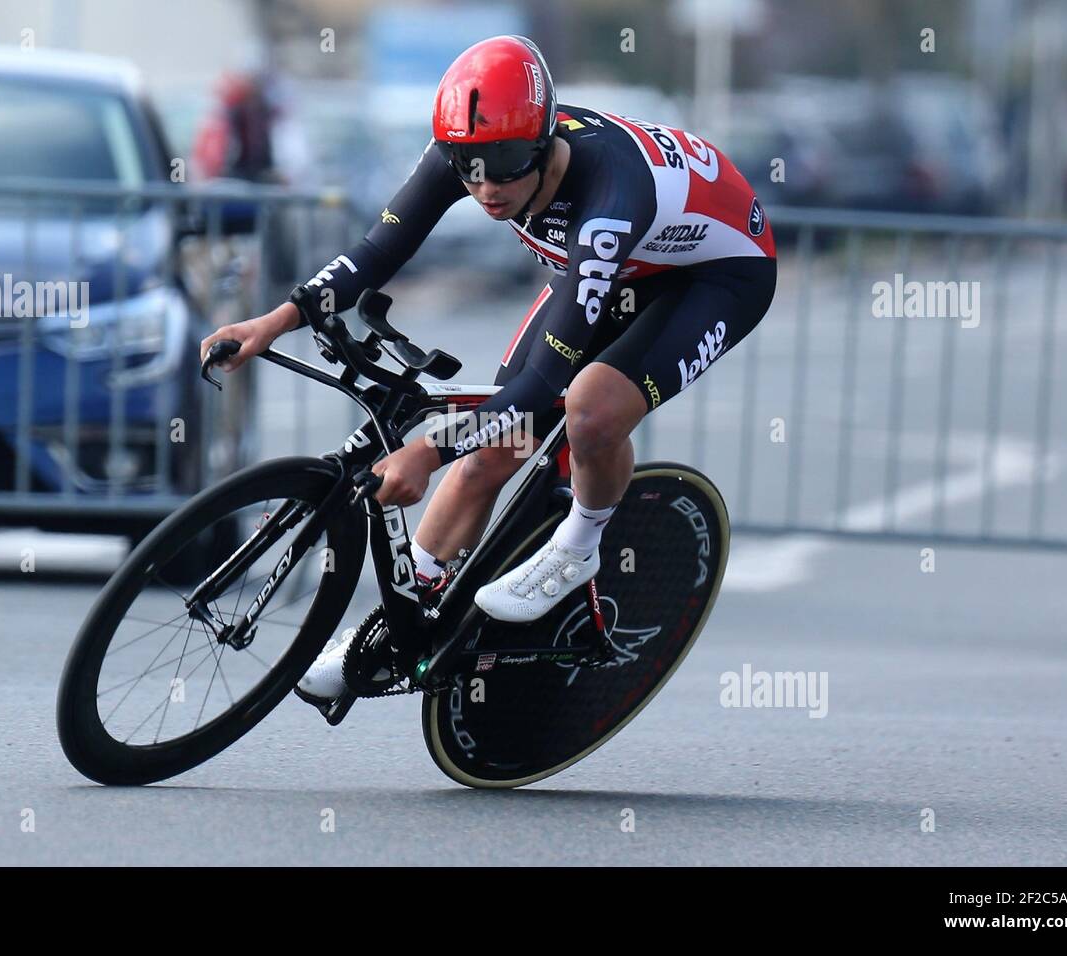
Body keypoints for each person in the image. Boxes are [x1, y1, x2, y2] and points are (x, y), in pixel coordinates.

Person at [200, 35, 777, 704]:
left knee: (587, 406)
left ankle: (579, 545)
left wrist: (425, 451)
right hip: (620, 269)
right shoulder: (472, 147)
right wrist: (271, 322)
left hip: (718, 275)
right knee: (486, 453)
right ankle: (393, 627)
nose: (485, 188)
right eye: (468, 168)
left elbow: (540, 392)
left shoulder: (609, 193)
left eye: (503, 167)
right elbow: (375, 253)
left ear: (543, 141)